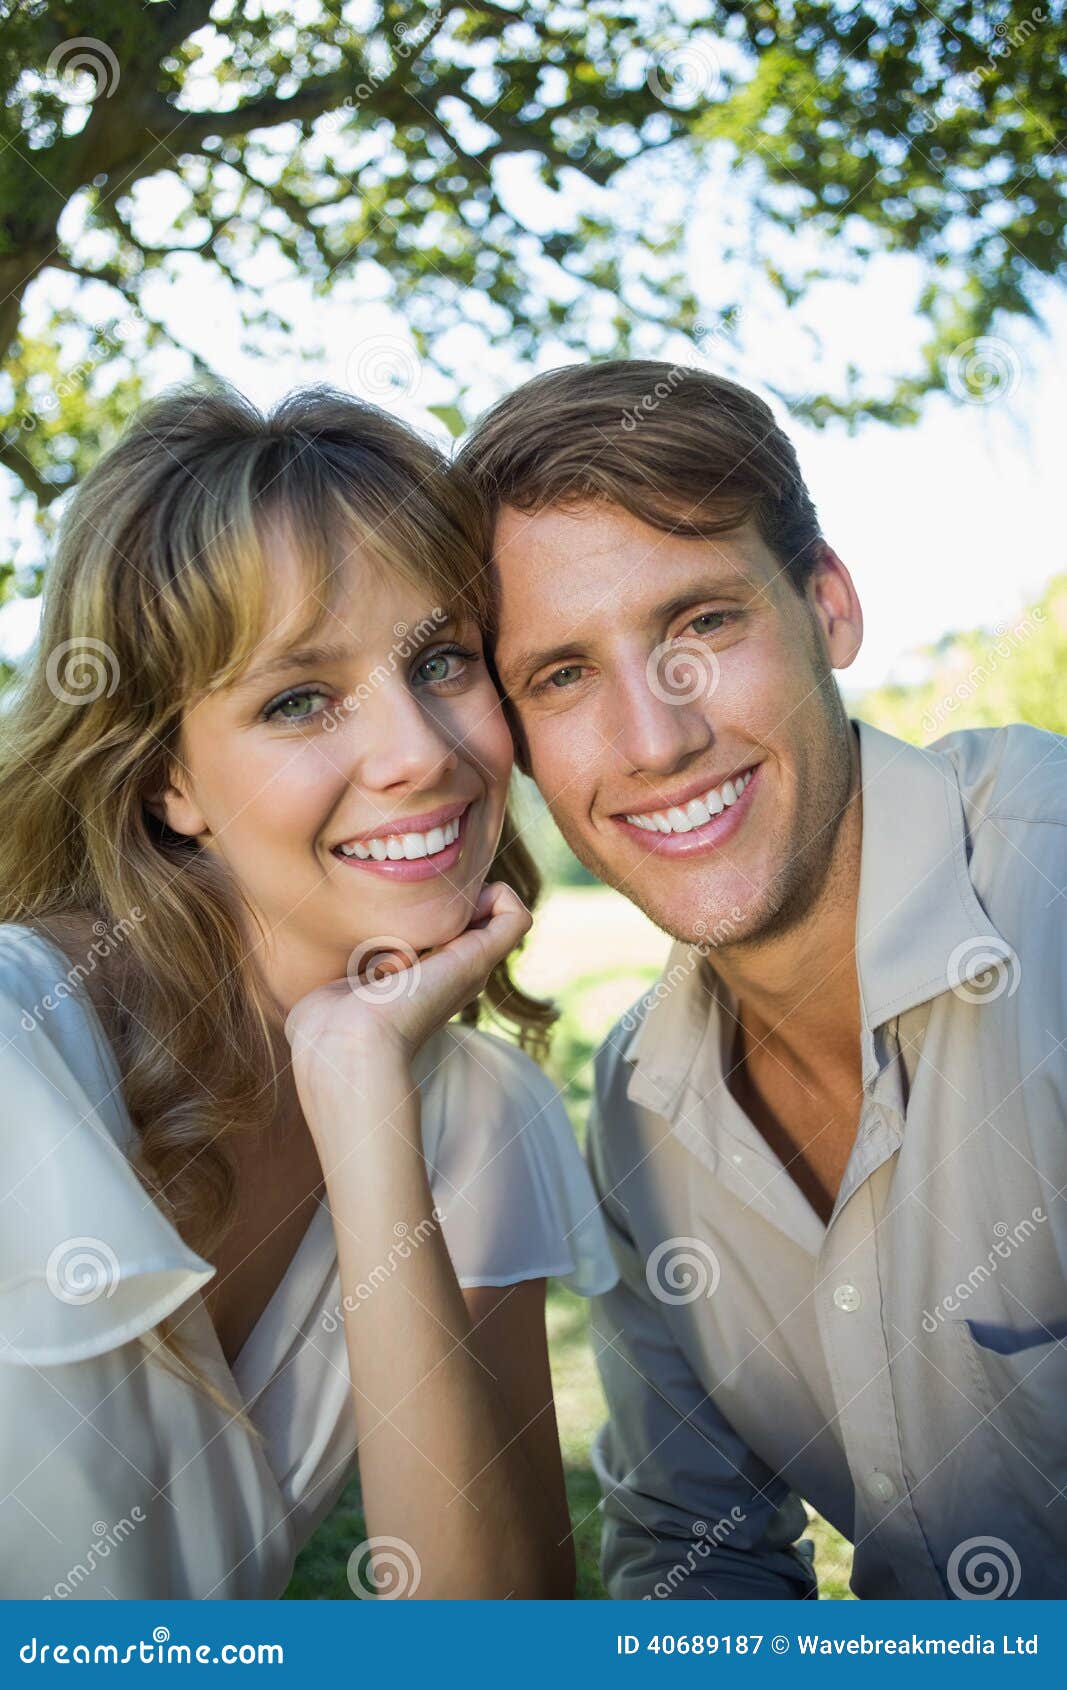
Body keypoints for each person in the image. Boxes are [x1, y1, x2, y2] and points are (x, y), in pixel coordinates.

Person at [457, 359, 1067, 1600]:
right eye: (562, 675)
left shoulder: (1047, 905)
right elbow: (699, 1556)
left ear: (827, 606)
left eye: (699, 624)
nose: (654, 739)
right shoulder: (636, 1097)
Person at [0, 382, 617, 1601]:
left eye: (441, 660)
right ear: (167, 778)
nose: (421, 752)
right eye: (298, 699)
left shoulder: (474, 1109)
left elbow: (490, 1648)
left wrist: (355, 1087)